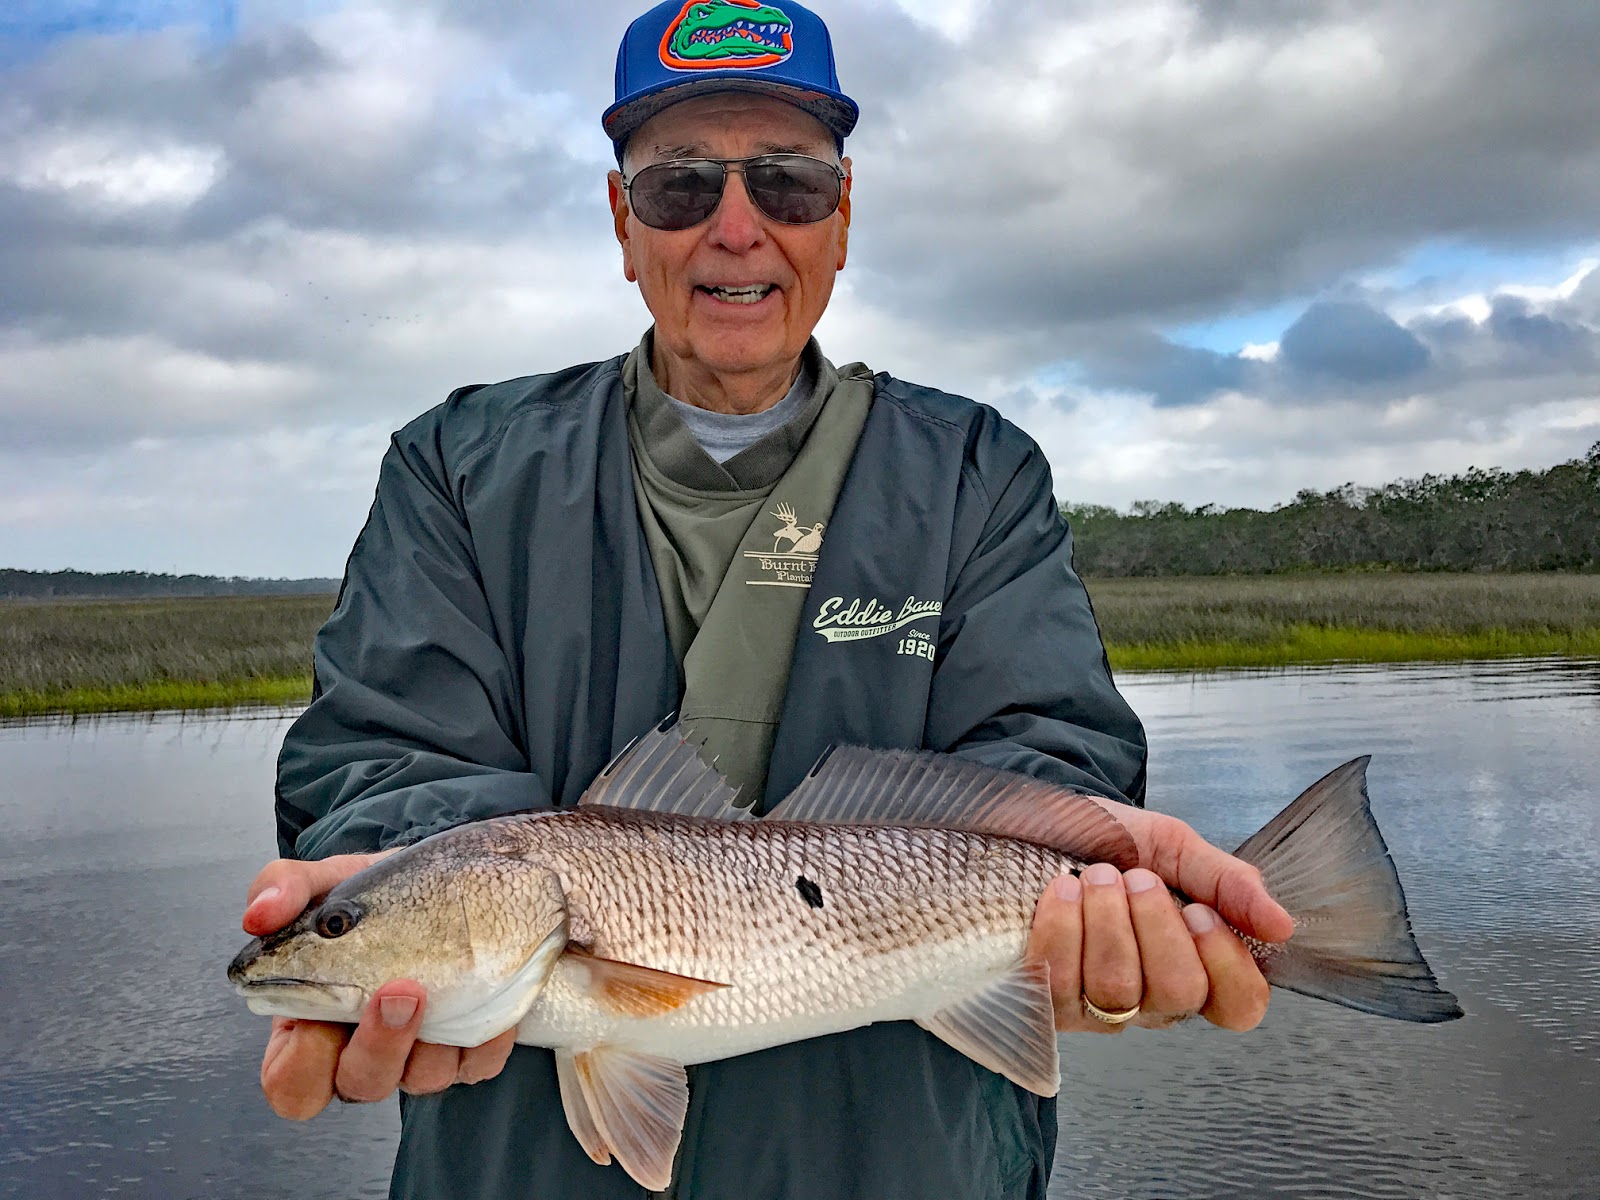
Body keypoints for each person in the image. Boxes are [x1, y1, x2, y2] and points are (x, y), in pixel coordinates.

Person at [240, 2, 1293, 1197]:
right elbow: (375, 758)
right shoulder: (458, 464)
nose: (736, 229)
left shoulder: (975, 471)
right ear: (621, 222)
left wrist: (1105, 907)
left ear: (842, 218)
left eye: (787, 185)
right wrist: (397, 896)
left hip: (913, 1160)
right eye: (681, 186)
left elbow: (1052, 755)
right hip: (517, 1164)